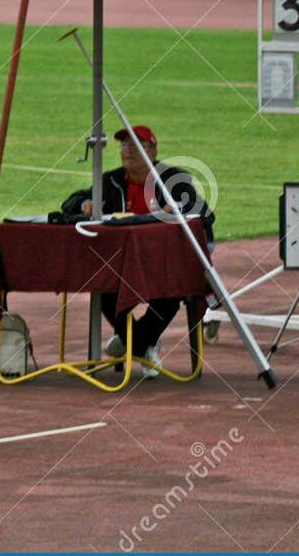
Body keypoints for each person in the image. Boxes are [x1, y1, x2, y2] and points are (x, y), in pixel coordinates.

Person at [60, 124, 214, 379]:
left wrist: (175, 212)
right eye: (124, 145)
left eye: (137, 145)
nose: (128, 150)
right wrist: (84, 204)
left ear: (153, 151)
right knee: (103, 286)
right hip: (121, 262)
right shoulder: (110, 181)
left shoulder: (173, 179)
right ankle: (144, 345)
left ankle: (131, 342)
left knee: (170, 291)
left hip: (166, 261)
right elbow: (70, 203)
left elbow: (204, 214)